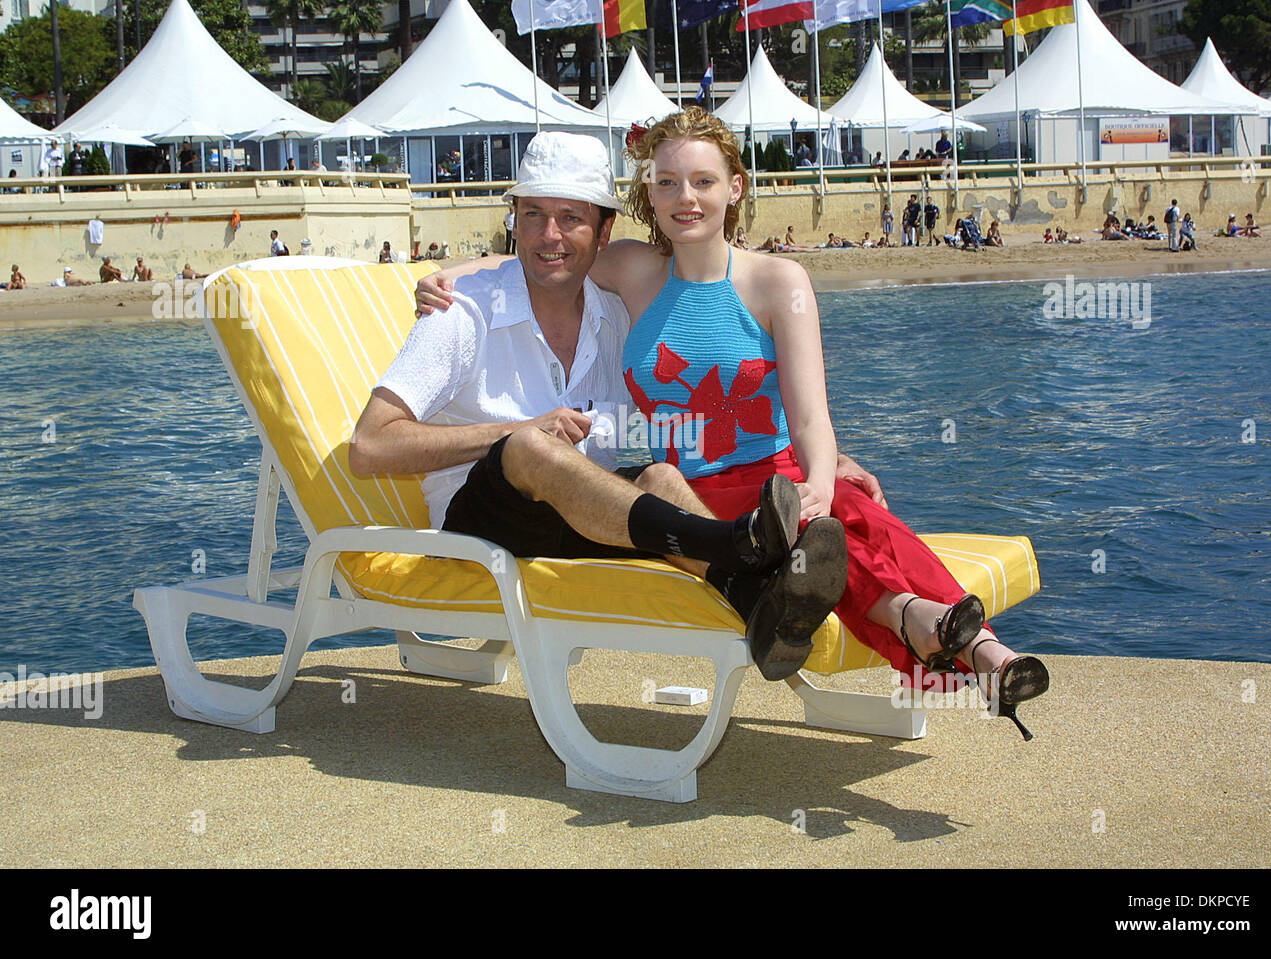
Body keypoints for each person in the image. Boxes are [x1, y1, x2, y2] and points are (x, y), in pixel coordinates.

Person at [418, 111, 1050, 733]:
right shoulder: (632, 270)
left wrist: (824, 479)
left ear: (736, 187)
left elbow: (809, 417)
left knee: (834, 518)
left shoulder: (778, 281)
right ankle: (956, 638)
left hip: (771, 475)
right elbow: (537, 261)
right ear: (648, 194)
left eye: (702, 181)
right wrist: (443, 277)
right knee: (812, 533)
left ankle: (961, 638)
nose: (684, 197)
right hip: (682, 493)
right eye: (666, 182)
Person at [357, 131, 850, 679]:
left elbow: (665, 424)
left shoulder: (615, 317)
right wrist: (517, 430)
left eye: (571, 217)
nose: (551, 235)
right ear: (514, 221)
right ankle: (738, 544)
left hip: (589, 521)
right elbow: (370, 445)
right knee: (528, 447)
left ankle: (754, 596)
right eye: (534, 215)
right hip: (482, 530)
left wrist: (831, 462)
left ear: (604, 233)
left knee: (660, 475)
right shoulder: (461, 313)